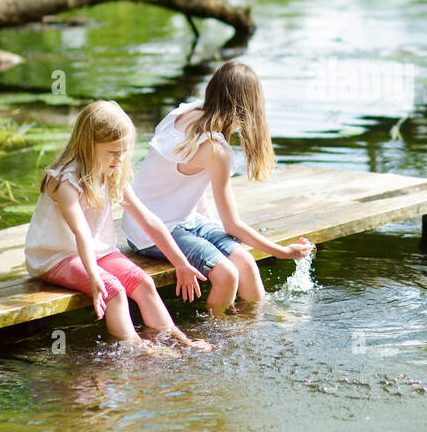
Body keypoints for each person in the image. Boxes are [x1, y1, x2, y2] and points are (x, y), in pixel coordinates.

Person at [122, 61, 313, 311]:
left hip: (180, 220)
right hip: (149, 231)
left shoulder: (185, 112)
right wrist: (283, 252)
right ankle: (221, 337)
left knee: (245, 262)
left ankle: (257, 323)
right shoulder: (215, 150)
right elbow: (233, 224)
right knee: (226, 275)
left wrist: (210, 230)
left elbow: (184, 182)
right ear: (249, 107)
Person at [24, 100, 211, 352]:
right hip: (58, 256)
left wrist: (180, 262)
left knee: (143, 282)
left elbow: (147, 219)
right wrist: (93, 277)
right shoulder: (65, 182)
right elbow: (81, 233)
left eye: (124, 151)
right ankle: (137, 348)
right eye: (113, 152)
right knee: (114, 289)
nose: (120, 158)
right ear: (89, 146)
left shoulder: (112, 172)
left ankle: (177, 339)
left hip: (99, 251)